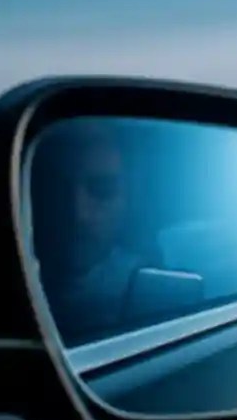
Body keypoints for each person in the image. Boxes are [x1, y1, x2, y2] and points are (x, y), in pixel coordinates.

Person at [29, 118, 153, 343]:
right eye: (56, 190)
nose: (78, 213)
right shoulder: (6, 279)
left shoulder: (147, 287)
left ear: (130, 200)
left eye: (103, 190)